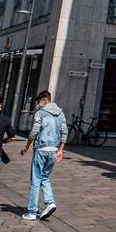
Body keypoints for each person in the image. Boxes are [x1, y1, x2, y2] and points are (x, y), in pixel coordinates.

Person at [21, 90, 67, 222]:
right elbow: (64, 132)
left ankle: (32, 211)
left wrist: (27, 146)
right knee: (45, 177)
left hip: (41, 149)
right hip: (53, 150)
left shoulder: (40, 113)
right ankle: (50, 202)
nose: (38, 105)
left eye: (39, 102)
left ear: (45, 100)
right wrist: (61, 149)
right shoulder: (60, 113)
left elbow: (34, 131)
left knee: (35, 180)